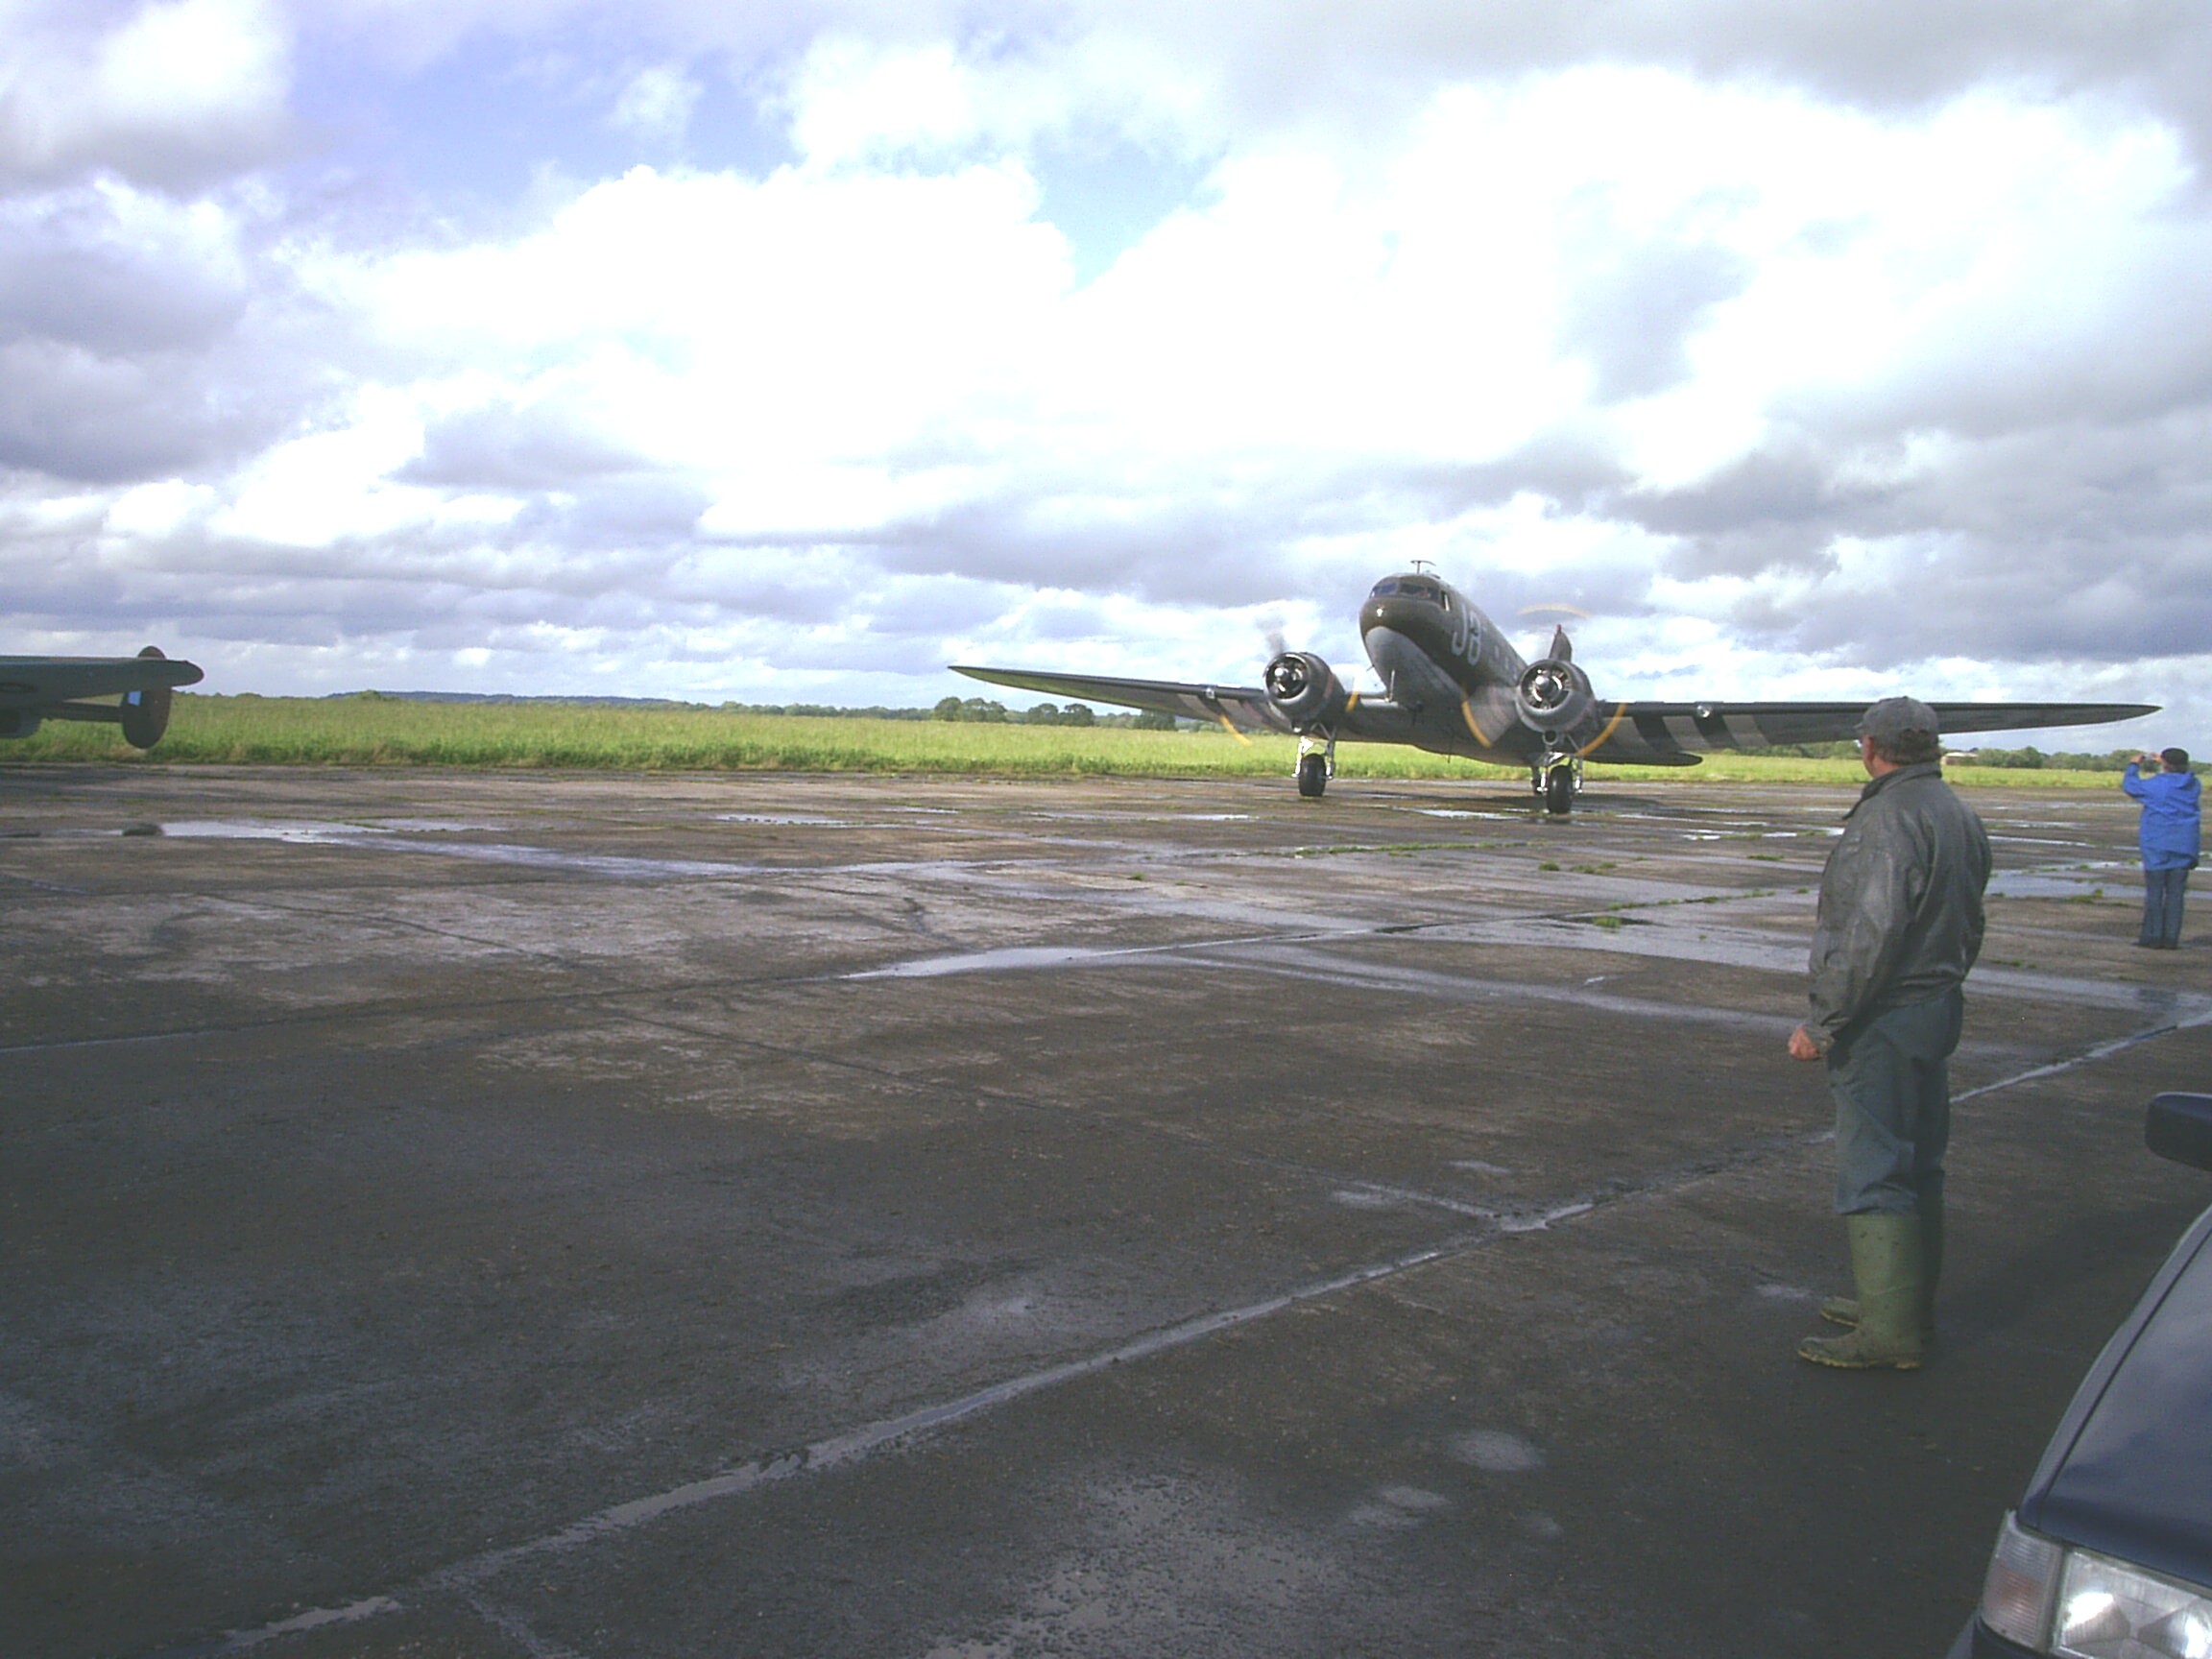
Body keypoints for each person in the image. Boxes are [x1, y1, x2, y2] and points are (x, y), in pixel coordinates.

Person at [1786, 697, 1991, 1370]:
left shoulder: (1887, 818)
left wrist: (1825, 1022)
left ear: (1870, 746)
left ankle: (1890, 1332)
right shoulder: (1955, 811)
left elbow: (1870, 934)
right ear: (1930, 746)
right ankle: (1901, 1305)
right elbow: (1969, 916)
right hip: (1935, 1004)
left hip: (1884, 1015)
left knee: (1875, 1166)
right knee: (1920, 1162)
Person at [2122, 748, 2200, 950]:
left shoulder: (2155, 785)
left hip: (2157, 845)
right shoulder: (2193, 785)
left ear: (2165, 764)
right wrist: (2165, 763)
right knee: (2176, 896)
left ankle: (2152, 937)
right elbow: (2180, 775)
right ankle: (2171, 938)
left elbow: (2131, 786)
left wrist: (2134, 765)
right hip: (2184, 845)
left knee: (2155, 894)